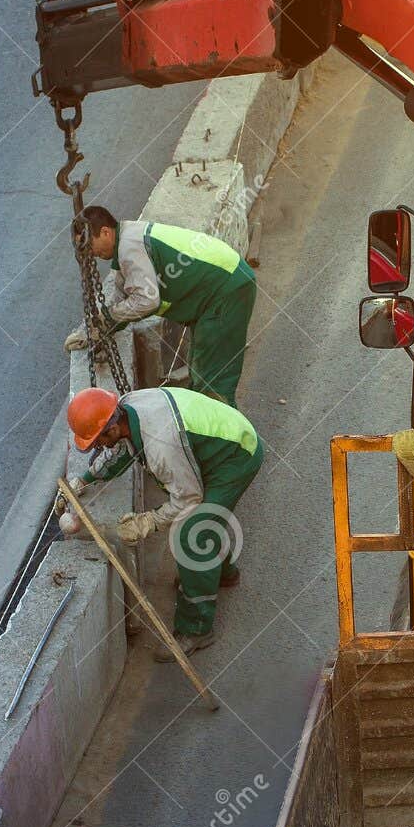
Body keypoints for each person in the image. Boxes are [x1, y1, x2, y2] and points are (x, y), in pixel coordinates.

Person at [63, 385, 263, 657]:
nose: (98, 447)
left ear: (111, 428)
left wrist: (147, 522)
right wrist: (84, 479)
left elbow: (188, 499)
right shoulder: (126, 408)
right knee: (203, 525)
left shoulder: (160, 444)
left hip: (236, 456)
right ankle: (224, 574)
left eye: (98, 441)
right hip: (219, 439)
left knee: (191, 534)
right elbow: (123, 452)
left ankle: (196, 629)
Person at [85, 205, 256, 406]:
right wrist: (100, 325)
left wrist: (109, 317)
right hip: (221, 286)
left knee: (212, 382)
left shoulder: (129, 248)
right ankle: (209, 426)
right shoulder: (129, 236)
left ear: (105, 232)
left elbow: (147, 300)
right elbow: (124, 295)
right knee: (200, 370)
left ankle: (227, 434)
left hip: (226, 290)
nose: (90, 253)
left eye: (89, 245)